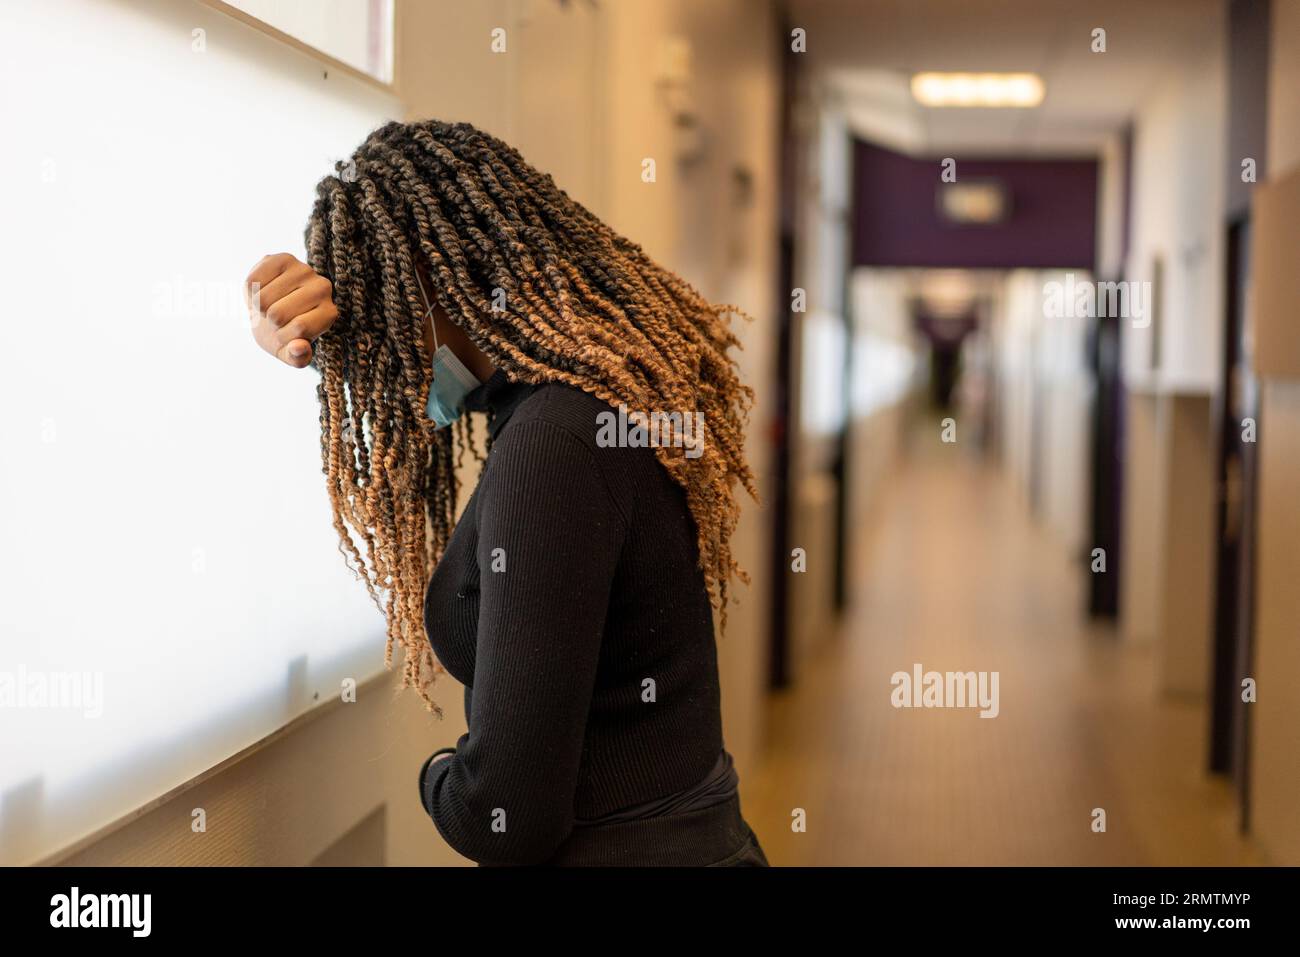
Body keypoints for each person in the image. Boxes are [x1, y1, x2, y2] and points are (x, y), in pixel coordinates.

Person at [244, 119, 768, 867]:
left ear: (432, 278)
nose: (383, 356)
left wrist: (434, 778)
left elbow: (503, 811)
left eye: (381, 312)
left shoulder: (554, 446)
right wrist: (319, 344)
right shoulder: (594, 401)